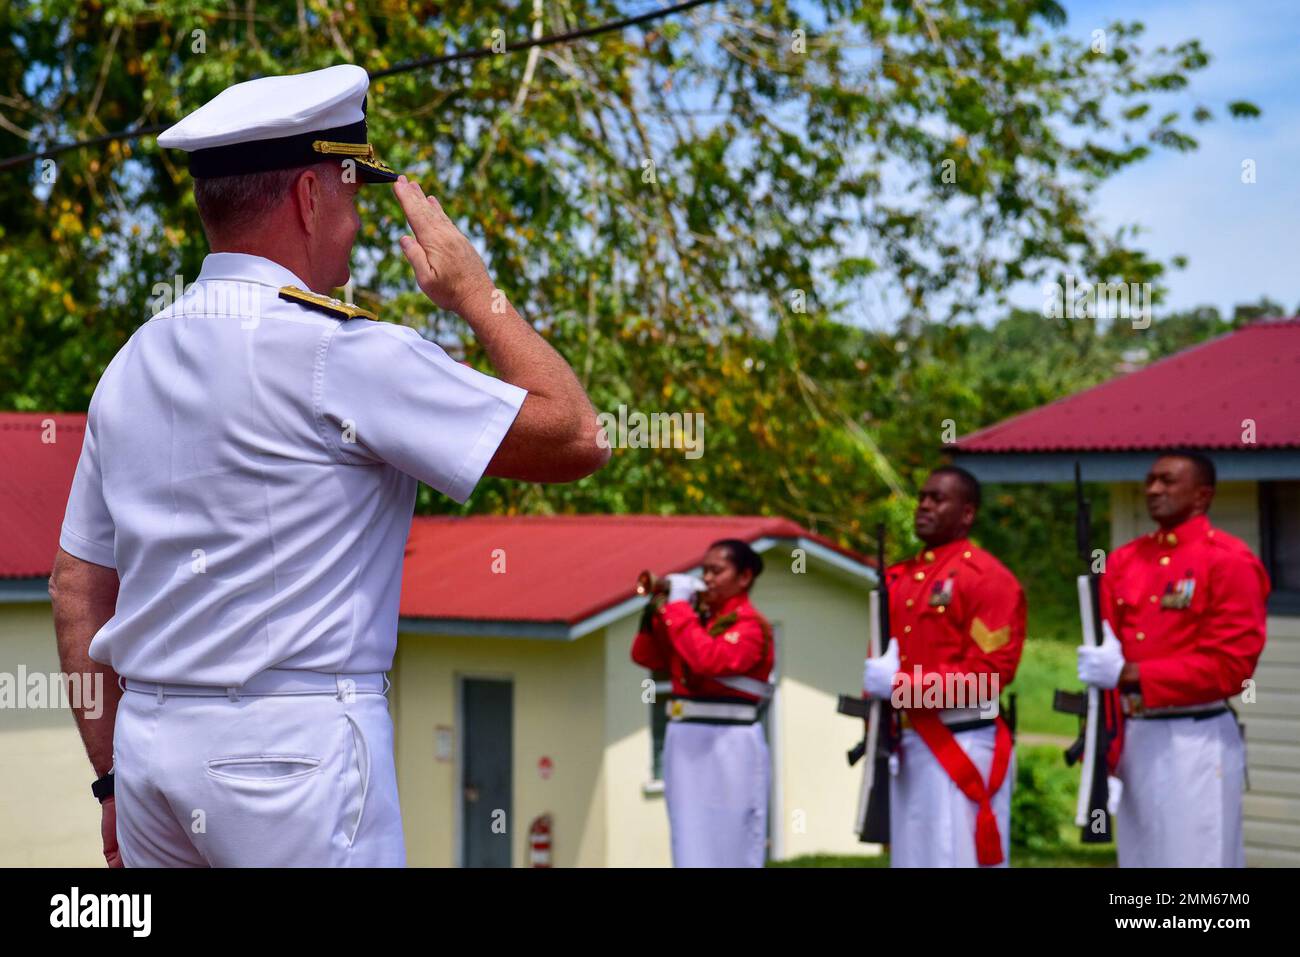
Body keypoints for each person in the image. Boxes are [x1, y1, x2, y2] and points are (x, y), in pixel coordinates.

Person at [51, 64, 609, 868]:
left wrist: (110, 779)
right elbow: (579, 437)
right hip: (290, 759)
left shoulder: (130, 362)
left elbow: (75, 586)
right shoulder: (337, 351)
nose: (356, 221)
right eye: (352, 194)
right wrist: (477, 294)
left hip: (148, 758)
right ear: (311, 198)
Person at [1077, 451, 1268, 867]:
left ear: (1202, 496)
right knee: (1141, 859)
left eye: (1167, 481)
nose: (1153, 490)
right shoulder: (1125, 561)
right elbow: (1105, 663)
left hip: (1194, 738)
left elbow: (1231, 666)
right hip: (1134, 733)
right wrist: (1104, 754)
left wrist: (1131, 673)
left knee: (1195, 861)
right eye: (1149, 481)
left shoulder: (1229, 561)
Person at [864, 466, 1026, 866]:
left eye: (939, 498)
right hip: (907, 743)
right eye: (922, 497)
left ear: (967, 513)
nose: (925, 505)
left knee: (954, 856)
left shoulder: (987, 578)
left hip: (960, 740)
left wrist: (902, 688)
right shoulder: (899, 579)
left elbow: (987, 681)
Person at [631, 540, 775, 866]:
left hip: (730, 742)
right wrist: (657, 611)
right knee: (689, 841)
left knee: (731, 841)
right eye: (704, 570)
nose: (707, 578)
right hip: (684, 737)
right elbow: (644, 655)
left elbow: (708, 660)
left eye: (717, 571)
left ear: (744, 577)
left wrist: (679, 611)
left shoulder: (751, 626)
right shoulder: (695, 623)